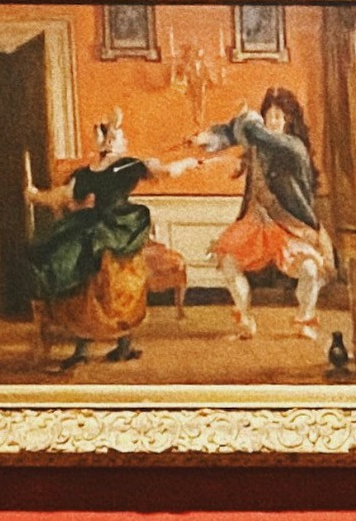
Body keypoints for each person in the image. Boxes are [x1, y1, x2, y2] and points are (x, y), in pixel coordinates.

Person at [166, 89, 331, 341]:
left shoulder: (293, 146)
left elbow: (255, 133)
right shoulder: (259, 139)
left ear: (289, 121)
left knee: (309, 269)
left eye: (279, 116)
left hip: (288, 223)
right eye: (269, 115)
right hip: (256, 221)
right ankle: (245, 319)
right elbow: (235, 134)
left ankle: (304, 320)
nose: (273, 121)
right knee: (229, 262)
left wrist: (248, 117)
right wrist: (205, 138)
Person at [27, 116, 157, 367]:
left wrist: (180, 164)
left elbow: (162, 171)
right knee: (85, 283)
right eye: (118, 137)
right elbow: (62, 196)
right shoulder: (91, 171)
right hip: (101, 227)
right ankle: (82, 349)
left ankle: (122, 346)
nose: (124, 141)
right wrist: (35, 196)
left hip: (121, 228)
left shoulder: (127, 166)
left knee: (122, 285)